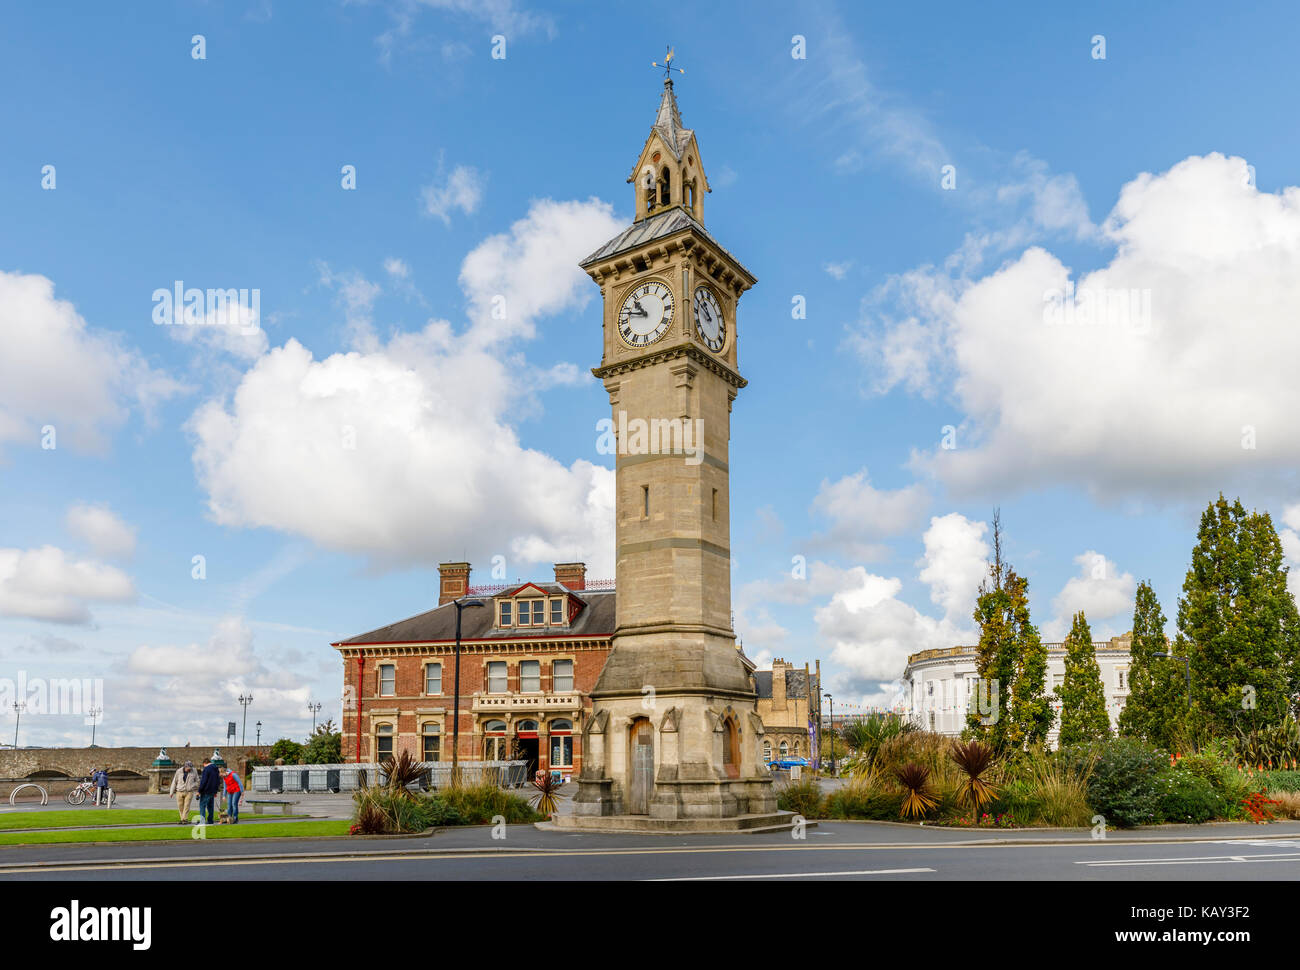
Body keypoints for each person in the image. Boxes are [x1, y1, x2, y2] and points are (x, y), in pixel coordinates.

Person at [197, 758, 221, 825]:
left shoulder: (206, 769)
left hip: (206, 790)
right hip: (213, 791)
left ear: (205, 763)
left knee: (202, 805)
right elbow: (218, 781)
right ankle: (210, 821)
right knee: (210, 806)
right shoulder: (216, 769)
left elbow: (203, 781)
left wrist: (199, 790)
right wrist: (216, 790)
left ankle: (202, 821)